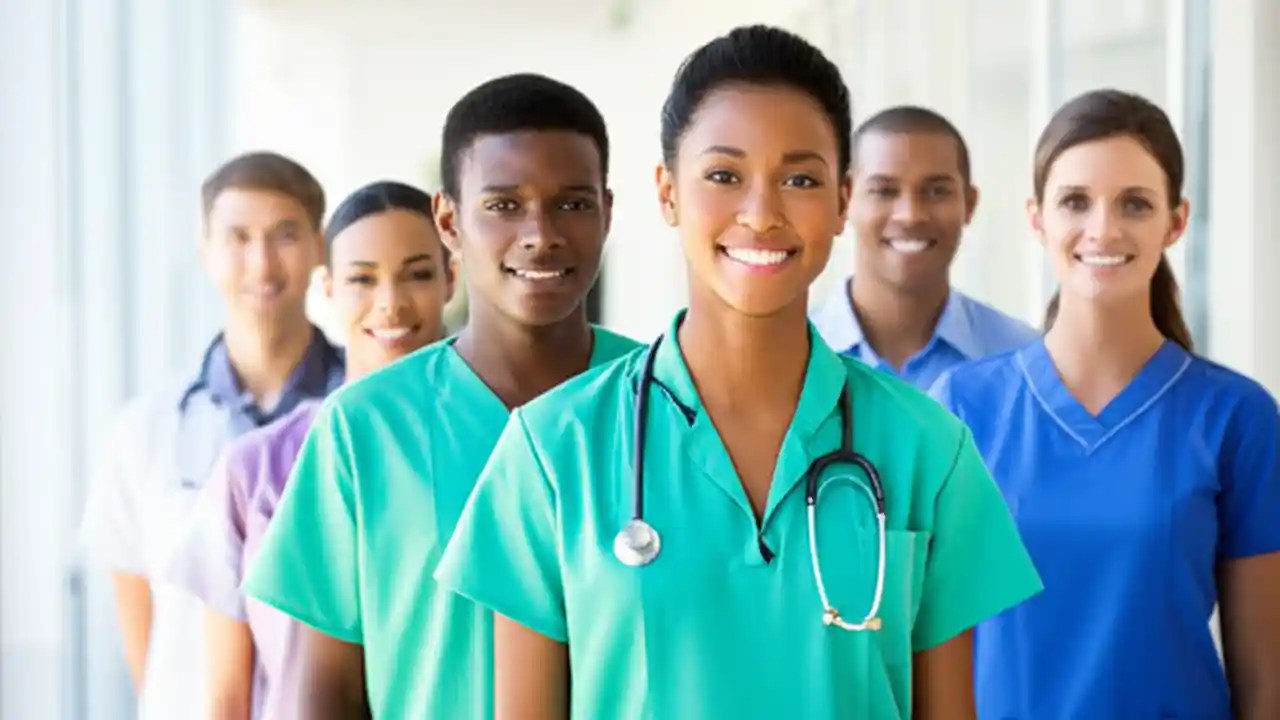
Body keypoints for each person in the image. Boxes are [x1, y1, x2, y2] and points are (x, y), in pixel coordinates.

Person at [435, 26, 1042, 720]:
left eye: (800, 179)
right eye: (724, 176)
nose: (761, 213)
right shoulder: (551, 452)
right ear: (667, 193)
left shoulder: (928, 449)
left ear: (842, 201)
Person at [239, 74, 640, 718]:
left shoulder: (663, 404)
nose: (540, 233)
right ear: (449, 221)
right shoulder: (363, 428)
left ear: (607, 213)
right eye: (503, 205)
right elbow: (324, 690)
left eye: (572, 203)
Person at [929, 89, 1280, 719]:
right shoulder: (962, 408)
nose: (1103, 230)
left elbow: (1265, 682)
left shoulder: (1236, 418)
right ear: (1037, 218)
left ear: (1176, 221)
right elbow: (928, 656)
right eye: (1075, 202)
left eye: (1135, 204)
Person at [165, 181, 454, 719]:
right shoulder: (254, 468)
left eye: (417, 274)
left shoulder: (501, 445)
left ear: (451, 278)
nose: (390, 303)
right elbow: (227, 697)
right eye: (362, 279)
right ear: (328, 286)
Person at [78, 152, 344, 719]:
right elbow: (138, 608)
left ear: (320, 247)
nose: (262, 263)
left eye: (286, 235)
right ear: (205, 250)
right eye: (238, 237)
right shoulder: (147, 429)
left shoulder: (362, 411)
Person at [811, 106, 1037, 390]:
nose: (910, 215)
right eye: (884, 191)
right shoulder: (785, 354)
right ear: (843, 201)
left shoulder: (1026, 362)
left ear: (969, 204)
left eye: (936, 191)